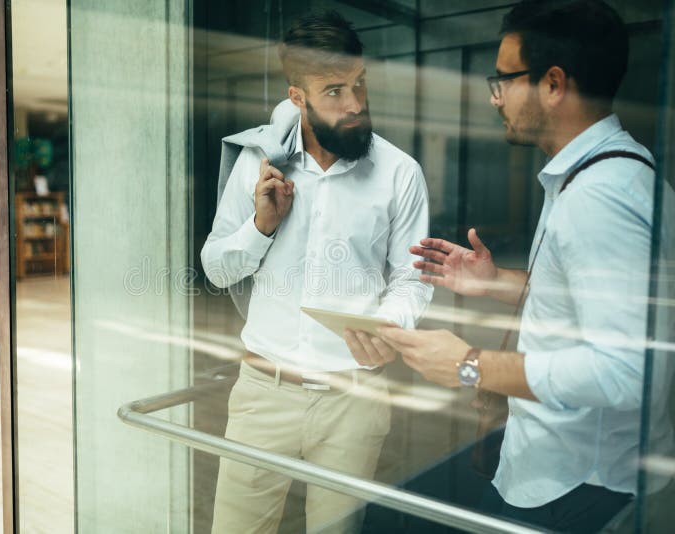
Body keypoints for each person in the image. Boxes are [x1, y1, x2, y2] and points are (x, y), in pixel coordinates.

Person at [363, 1, 674, 532]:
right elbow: (597, 301)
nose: (495, 96)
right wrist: (496, 282)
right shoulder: (605, 176)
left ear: (553, 84)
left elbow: (628, 372)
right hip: (569, 472)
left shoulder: (600, 196)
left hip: (579, 484)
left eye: (504, 79)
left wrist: (469, 364)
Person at [201, 10, 432, 534]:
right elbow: (216, 269)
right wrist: (261, 226)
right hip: (264, 393)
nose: (353, 105)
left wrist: (390, 327)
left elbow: (412, 279)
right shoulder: (257, 164)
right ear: (297, 98)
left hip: (354, 402)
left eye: (359, 86)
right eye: (333, 92)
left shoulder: (400, 173)